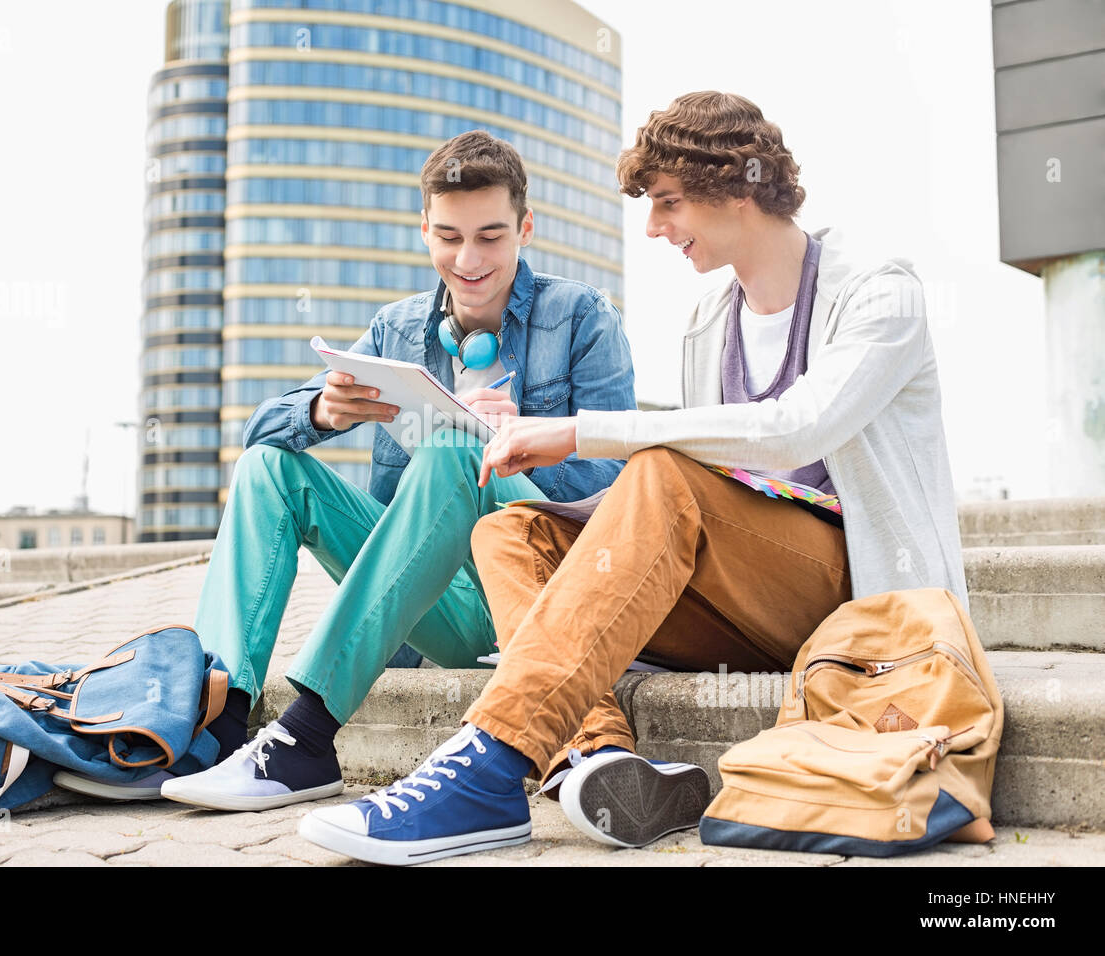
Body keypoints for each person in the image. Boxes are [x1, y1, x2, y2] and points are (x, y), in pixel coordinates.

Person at [298, 91, 970, 865]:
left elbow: (796, 427)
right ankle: (595, 756)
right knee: (511, 530)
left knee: (661, 473)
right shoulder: (708, 318)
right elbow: (725, 474)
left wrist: (582, 433)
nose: (655, 228)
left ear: (738, 186)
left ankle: (486, 763)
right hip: (742, 600)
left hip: (856, 604)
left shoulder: (880, 293)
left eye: (668, 203)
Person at [52, 130, 637, 810]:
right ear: (423, 230)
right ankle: (211, 726)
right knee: (269, 467)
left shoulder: (584, 317)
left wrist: (520, 441)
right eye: (448, 236)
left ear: (525, 228)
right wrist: (326, 413)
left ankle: (304, 739)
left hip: (530, 595)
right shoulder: (396, 329)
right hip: (424, 612)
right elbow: (261, 430)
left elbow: (615, 495)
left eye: (490, 236)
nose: (468, 259)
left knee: (451, 448)